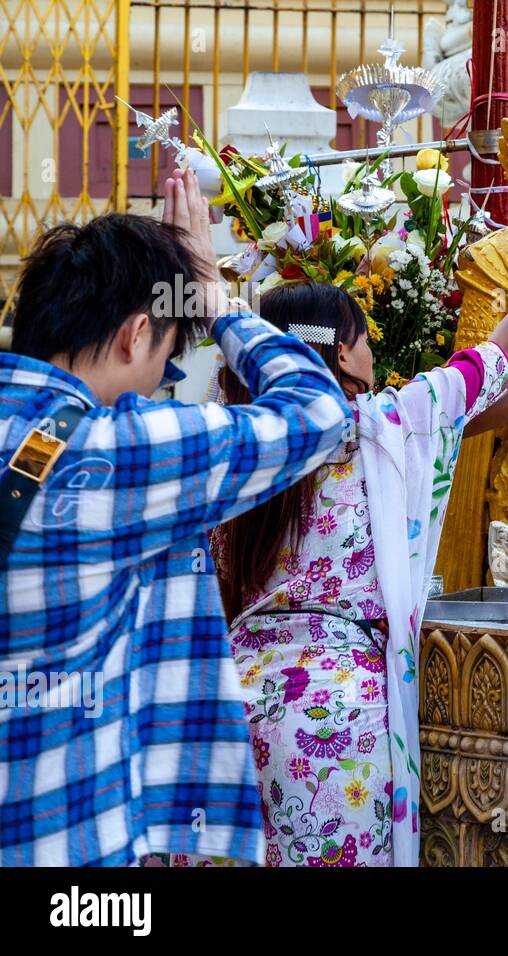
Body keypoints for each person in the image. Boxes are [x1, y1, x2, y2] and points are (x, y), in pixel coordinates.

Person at [205, 224, 508, 867]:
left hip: (235, 703)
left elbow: (448, 421)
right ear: (345, 354)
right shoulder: (380, 424)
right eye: (361, 337)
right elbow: (507, 347)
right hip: (340, 715)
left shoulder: (231, 442)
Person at [0, 169, 352, 866]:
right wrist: (216, 298)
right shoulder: (117, 452)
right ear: (136, 336)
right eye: (167, 357)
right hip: (65, 845)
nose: (164, 381)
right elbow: (318, 407)